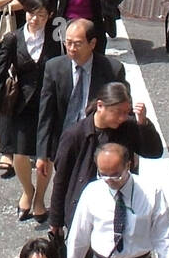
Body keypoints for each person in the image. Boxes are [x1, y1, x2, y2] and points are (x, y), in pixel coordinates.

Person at [49, 81, 163, 240]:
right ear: (100, 106)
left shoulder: (127, 127)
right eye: (118, 112)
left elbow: (154, 151)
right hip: (85, 208)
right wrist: (56, 221)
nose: (123, 118)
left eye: (127, 112)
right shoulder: (75, 135)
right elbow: (61, 179)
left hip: (122, 203)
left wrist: (143, 123)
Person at [0, 0, 53, 220]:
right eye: (31, 14)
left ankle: (41, 198)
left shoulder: (56, 40)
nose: (35, 20)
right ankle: (28, 190)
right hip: (20, 103)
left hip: (49, 103)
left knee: (47, 154)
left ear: (49, 16)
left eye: (41, 16)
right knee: (20, 153)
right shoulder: (13, 38)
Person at [36, 18, 125, 172]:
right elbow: (46, 113)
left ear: (92, 43)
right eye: (67, 42)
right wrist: (42, 154)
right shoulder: (54, 67)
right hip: (65, 141)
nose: (71, 48)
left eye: (77, 43)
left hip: (98, 142)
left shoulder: (112, 70)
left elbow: (122, 112)